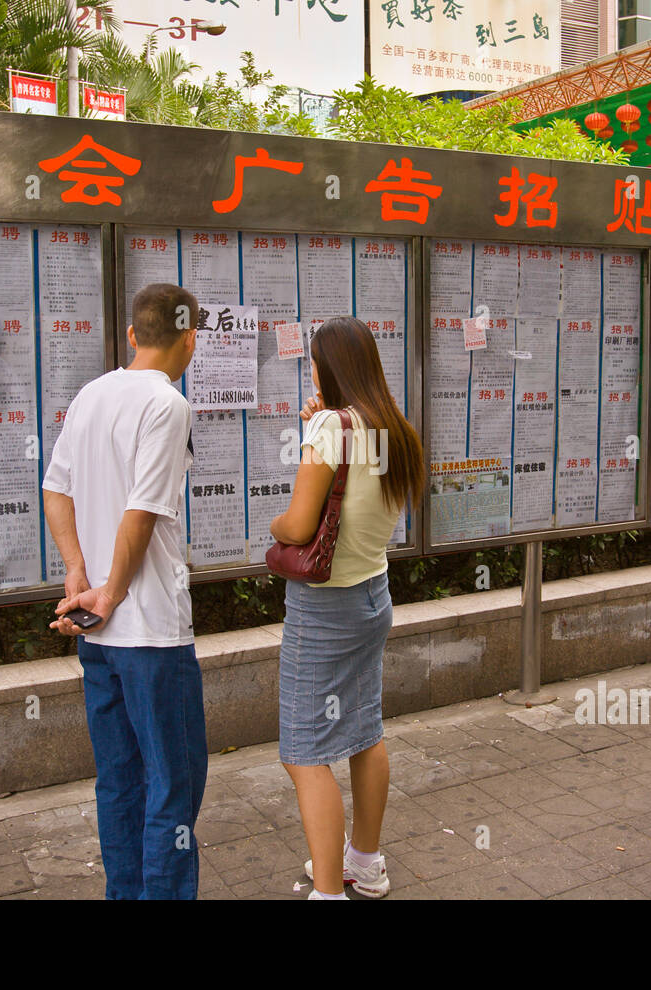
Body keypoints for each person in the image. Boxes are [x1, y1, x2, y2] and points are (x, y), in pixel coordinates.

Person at [42, 282, 206, 900]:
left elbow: (55, 488)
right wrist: (109, 591)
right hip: (151, 630)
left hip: (99, 633)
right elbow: (141, 512)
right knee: (174, 782)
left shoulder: (92, 394)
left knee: (118, 778)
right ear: (189, 340)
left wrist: (77, 574)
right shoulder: (167, 406)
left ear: (134, 335)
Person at [271, 316, 425, 900]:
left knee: (304, 752)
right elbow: (358, 496)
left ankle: (330, 891)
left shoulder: (330, 429)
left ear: (326, 367)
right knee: (363, 732)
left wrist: (273, 526)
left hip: (323, 607)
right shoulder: (391, 429)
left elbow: (300, 523)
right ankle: (365, 861)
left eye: (313, 361)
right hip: (372, 596)